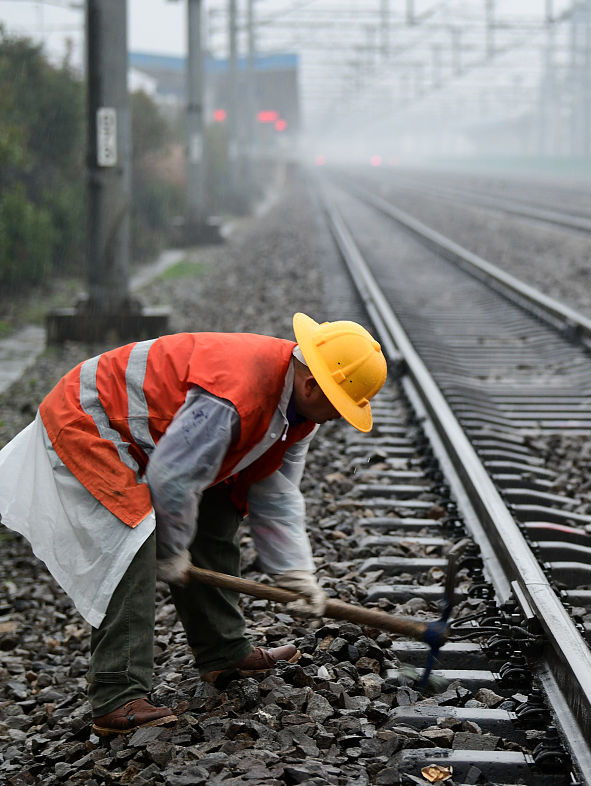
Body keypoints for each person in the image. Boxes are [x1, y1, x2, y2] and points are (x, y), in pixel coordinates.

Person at [0, 313, 387, 735]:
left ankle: (224, 652)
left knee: (220, 508)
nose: (338, 417)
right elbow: (172, 476)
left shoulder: (299, 412)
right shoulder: (235, 396)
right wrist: (170, 550)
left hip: (157, 438)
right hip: (92, 418)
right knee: (132, 539)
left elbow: (276, 493)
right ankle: (116, 694)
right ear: (312, 385)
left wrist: (295, 573)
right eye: (339, 406)